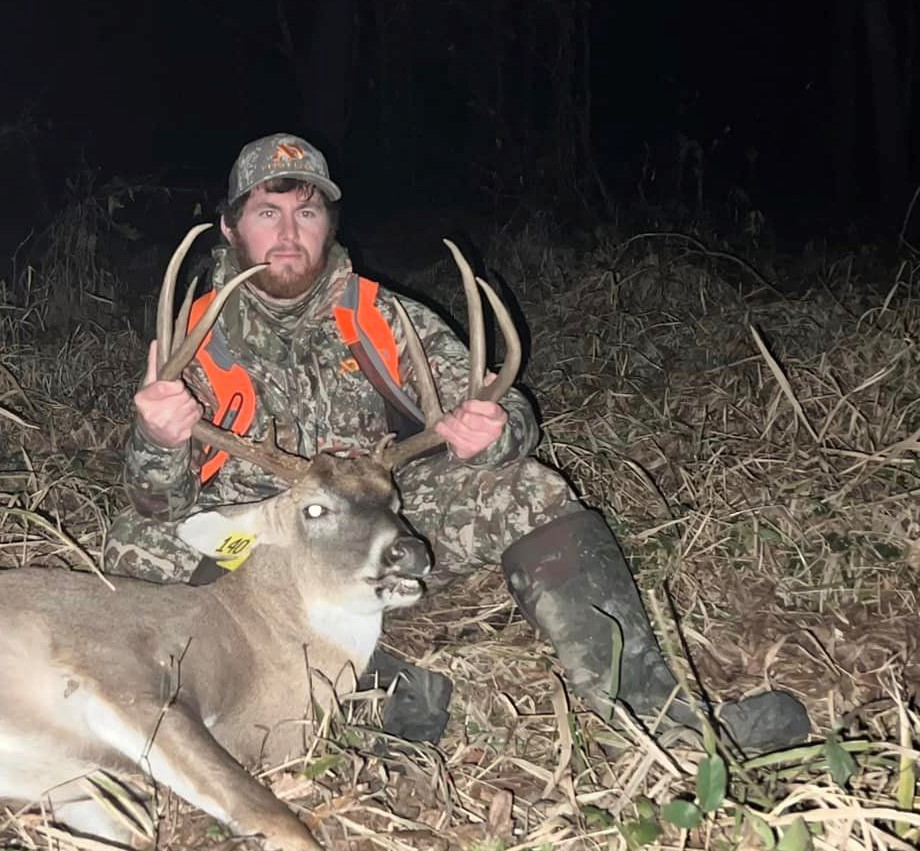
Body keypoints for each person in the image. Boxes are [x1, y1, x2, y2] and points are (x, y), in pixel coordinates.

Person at [101, 132, 810, 754]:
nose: (289, 232)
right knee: (137, 544)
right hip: (270, 544)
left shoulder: (386, 317)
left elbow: (505, 407)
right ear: (231, 229)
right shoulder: (192, 337)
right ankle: (366, 693)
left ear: (328, 224)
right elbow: (157, 497)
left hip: (388, 522)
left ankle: (658, 715)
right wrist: (158, 439)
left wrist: (496, 431)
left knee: (530, 487)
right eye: (267, 213)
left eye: (306, 211)